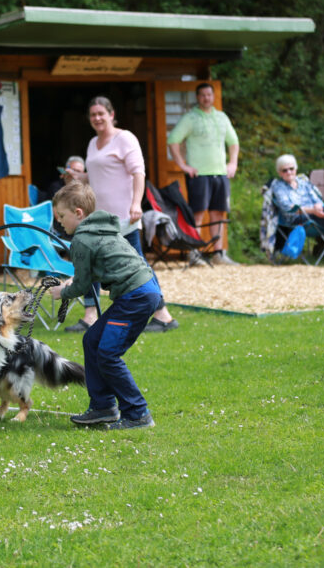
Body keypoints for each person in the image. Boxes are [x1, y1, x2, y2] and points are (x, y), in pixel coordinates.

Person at [48, 182, 160, 430]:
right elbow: (96, 269)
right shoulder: (102, 229)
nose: (59, 223)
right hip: (142, 290)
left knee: (108, 354)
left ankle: (138, 413)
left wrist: (62, 291)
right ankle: (103, 407)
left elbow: (82, 287)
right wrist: (75, 280)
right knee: (92, 341)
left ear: (78, 213)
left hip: (136, 296)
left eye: (62, 217)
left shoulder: (82, 240)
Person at [62, 95, 179, 334]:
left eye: (101, 114)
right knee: (90, 262)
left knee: (137, 264)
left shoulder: (125, 138)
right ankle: (90, 315)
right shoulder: (93, 143)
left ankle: (163, 315)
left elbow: (139, 173)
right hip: (97, 220)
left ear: (111, 114)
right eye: (93, 115)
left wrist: (137, 204)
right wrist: (77, 177)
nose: (97, 118)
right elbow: (94, 177)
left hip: (123, 217)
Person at [166, 83, 240, 265]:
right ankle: (194, 253)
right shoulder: (190, 118)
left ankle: (219, 253)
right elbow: (173, 140)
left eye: (209, 94)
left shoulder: (221, 117)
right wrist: (183, 165)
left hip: (220, 173)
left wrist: (233, 162)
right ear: (197, 97)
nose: (206, 98)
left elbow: (234, 141)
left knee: (218, 214)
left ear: (213, 96)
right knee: (197, 215)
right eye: (202, 95)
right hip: (199, 175)